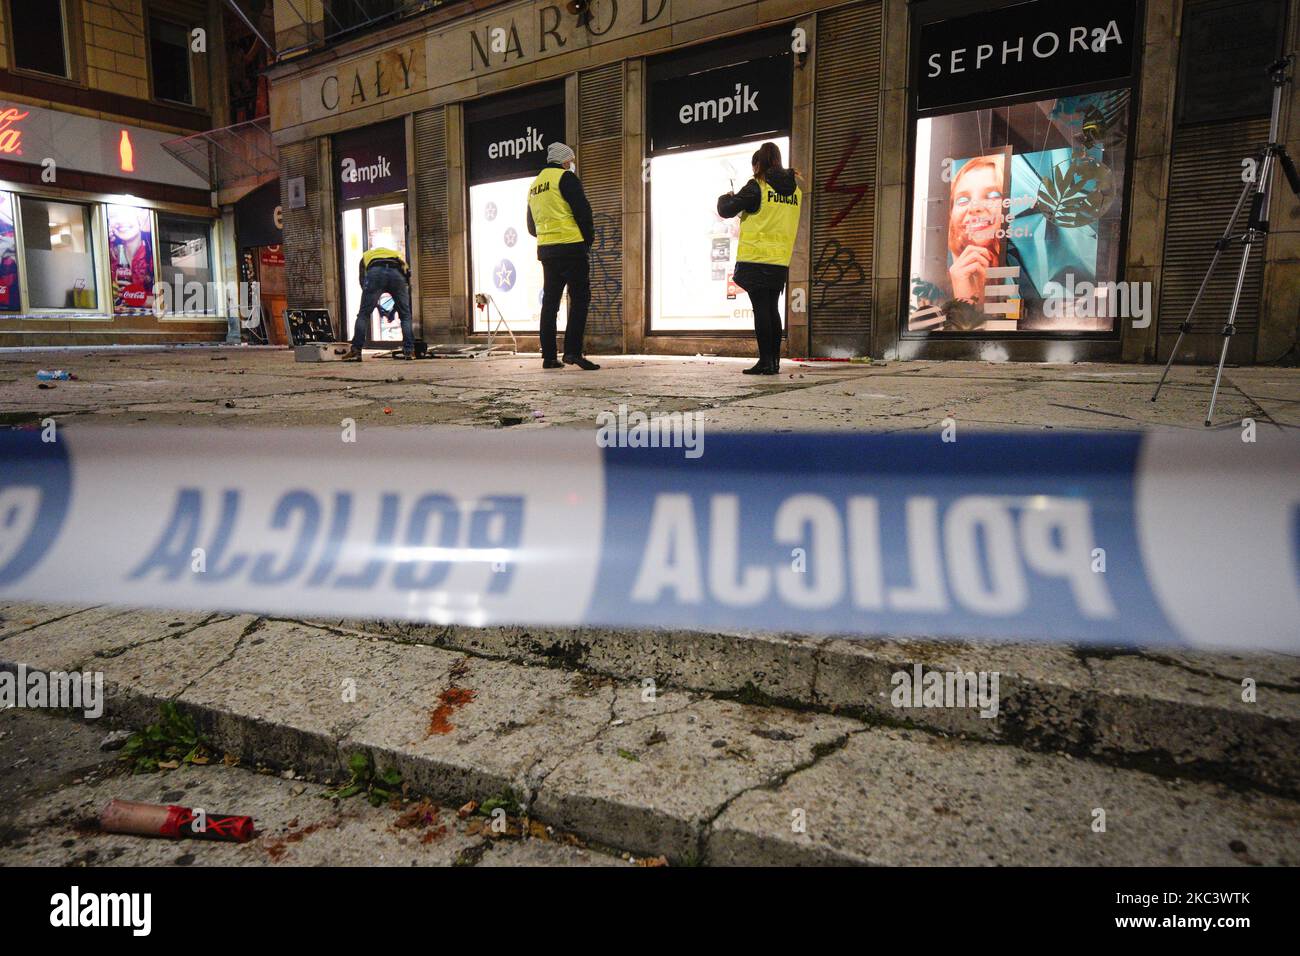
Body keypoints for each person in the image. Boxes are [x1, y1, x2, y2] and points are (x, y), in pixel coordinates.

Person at [717, 142, 802, 374]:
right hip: (779, 260)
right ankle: (773, 362)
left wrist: (725, 196)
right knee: (772, 309)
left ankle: (765, 361)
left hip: (756, 258)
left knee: (761, 310)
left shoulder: (758, 186)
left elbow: (727, 209)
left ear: (758, 164)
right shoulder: (795, 190)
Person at [526, 142, 599, 370]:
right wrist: (587, 240)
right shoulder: (566, 178)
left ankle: (549, 356)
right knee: (579, 299)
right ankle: (572, 352)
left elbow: (531, 226)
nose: (572, 164)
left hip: (548, 251)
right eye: (572, 160)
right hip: (571, 248)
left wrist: (548, 238)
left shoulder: (535, 185)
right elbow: (583, 211)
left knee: (550, 303)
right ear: (565, 161)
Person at [346, 246, 413, 360]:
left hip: (375, 273)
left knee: (363, 315)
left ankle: (356, 351)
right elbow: (407, 281)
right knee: (405, 315)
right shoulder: (397, 255)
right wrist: (393, 310)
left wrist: (376, 306)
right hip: (396, 274)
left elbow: (363, 284)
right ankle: (409, 351)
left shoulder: (366, 256)